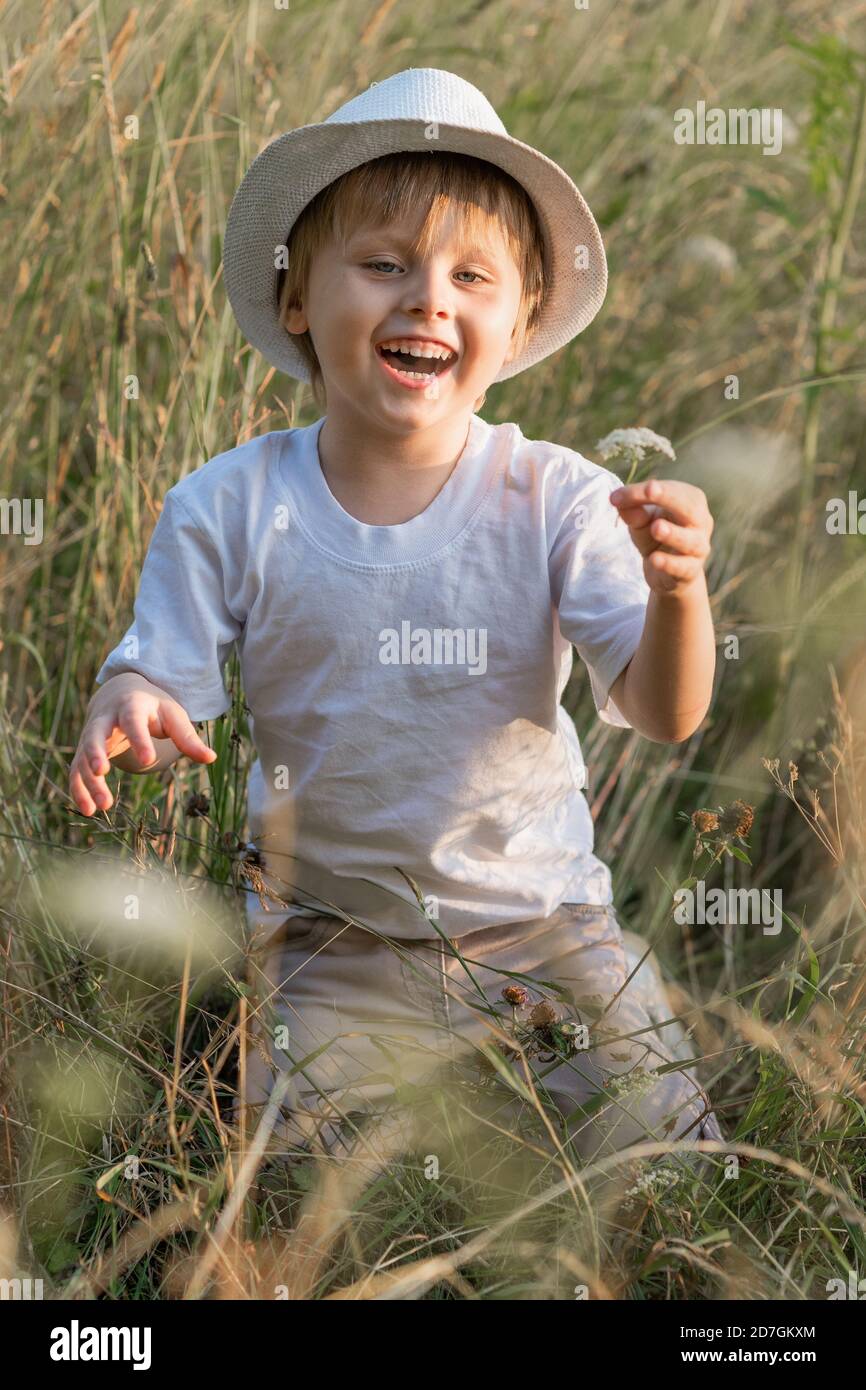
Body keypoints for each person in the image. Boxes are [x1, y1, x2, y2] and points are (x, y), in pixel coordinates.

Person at [69, 68, 723, 1177]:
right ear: (295, 301)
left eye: (470, 277)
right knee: (310, 1202)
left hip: (541, 928)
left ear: (515, 325)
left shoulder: (554, 498)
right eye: (381, 265)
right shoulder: (229, 505)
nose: (426, 299)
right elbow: (157, 672)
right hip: (331, 940)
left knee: (663, 1179)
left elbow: (661, 711)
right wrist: (131, 702)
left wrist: (677, 593)